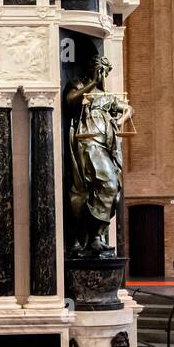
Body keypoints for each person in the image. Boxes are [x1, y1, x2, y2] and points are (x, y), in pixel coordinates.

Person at [64, 55, 131, 257]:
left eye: (104, 72)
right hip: (88, 143)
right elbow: (69, 100)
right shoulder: (79, 85)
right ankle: (90, 236)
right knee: (107, 185)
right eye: (99, 70)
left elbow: (128, 108)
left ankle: (96, 236)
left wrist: (121, 121)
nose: (102, 75)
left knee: (115, 190)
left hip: (106, 146)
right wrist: (91, 82)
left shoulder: (107, 97)